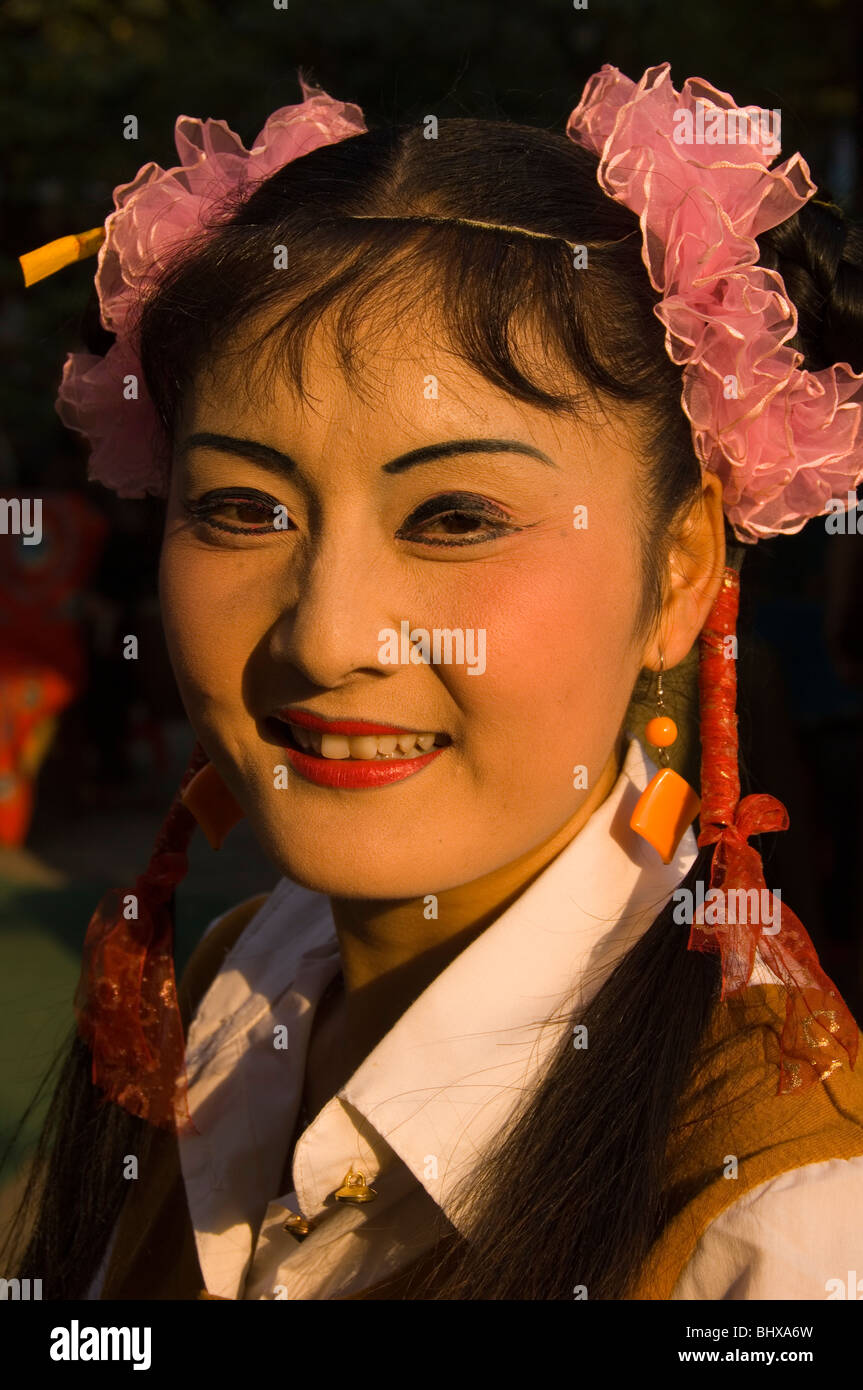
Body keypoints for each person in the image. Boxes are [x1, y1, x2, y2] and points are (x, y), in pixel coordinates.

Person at [4, 62, 863, 1301]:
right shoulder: (247, 970)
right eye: (243, 507)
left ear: (678, 571)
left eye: (455, 516)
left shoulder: (787, 1227)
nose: (326, 633)